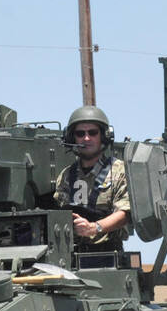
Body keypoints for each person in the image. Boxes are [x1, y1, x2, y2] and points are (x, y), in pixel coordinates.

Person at [53, 105, 130, 252]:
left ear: (103, 135)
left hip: (108, 252)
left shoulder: (120, 171)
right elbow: (60, 213)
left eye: (93, 133)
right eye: (80, 133)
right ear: (72, 138)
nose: (86, 138)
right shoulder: (66, 176)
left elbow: (125, 213)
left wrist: (94, 228)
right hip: (72, 252)